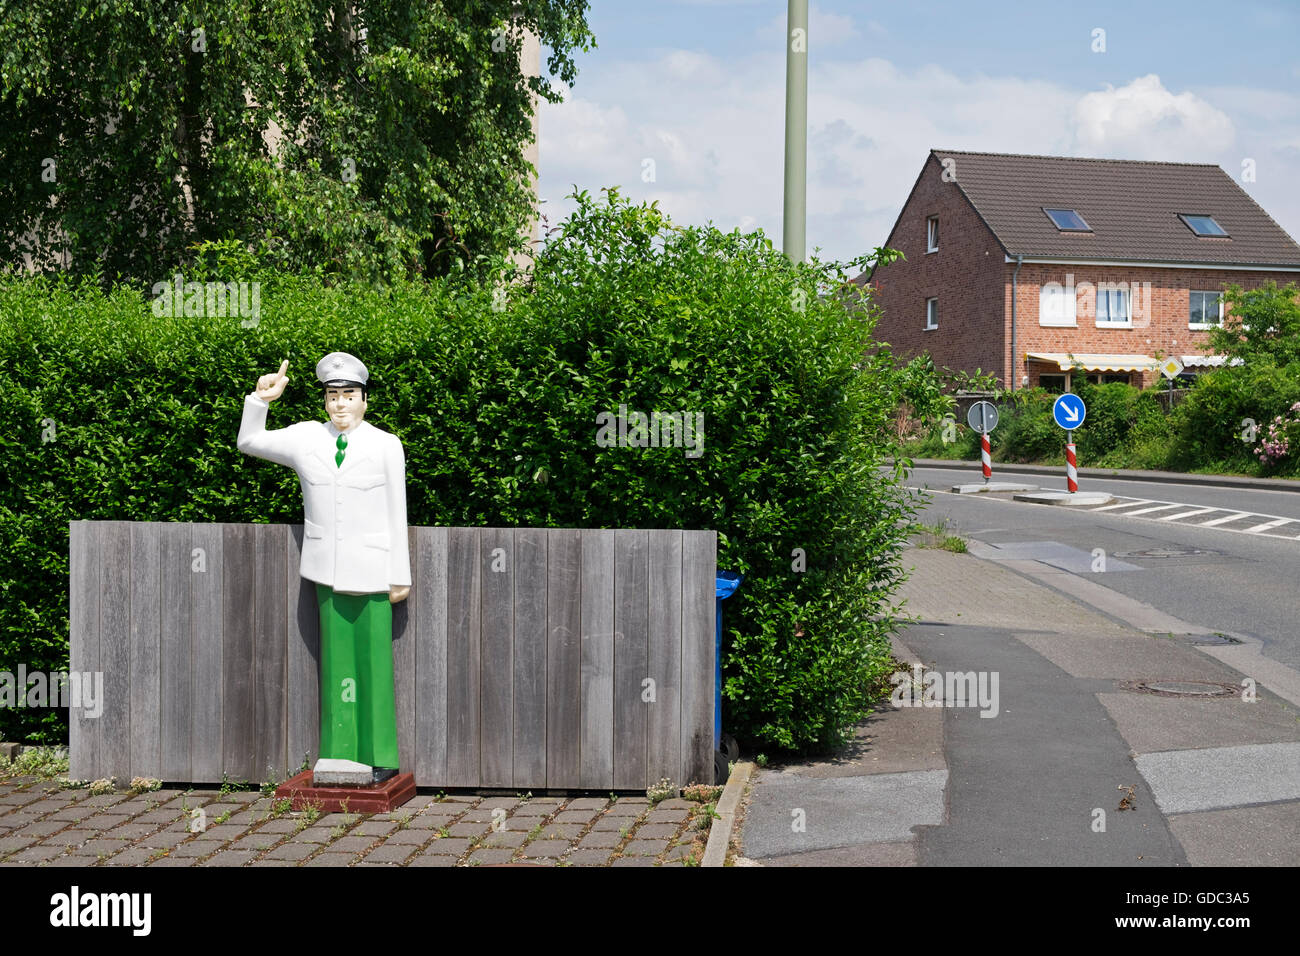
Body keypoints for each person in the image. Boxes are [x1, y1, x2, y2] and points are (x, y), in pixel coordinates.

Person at [237, 353, 411, 784]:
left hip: (372, 569)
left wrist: (399, 574)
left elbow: (396, 512)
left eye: (349, 395)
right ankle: (339, 751)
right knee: (336, 664)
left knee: (373, 663)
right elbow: (250, 442)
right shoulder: (306, 439)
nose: (340, 404)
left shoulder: (386, 444)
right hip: (326, 571)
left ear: (365, 400)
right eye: (333, 396)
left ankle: (380, 753)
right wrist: (261, 401)